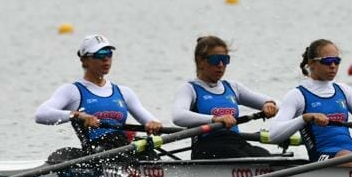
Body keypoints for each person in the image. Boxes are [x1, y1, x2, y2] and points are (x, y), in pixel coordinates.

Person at [35, 35, 163, 162]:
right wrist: (78, 115)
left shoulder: (124, 92)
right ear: (85, 60)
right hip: (96, 153)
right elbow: (41, 114)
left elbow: (150, 120)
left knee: (145, 147)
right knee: (114, 138)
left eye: (109, 53)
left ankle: (155, 172)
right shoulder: (72, 91)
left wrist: (153, 123)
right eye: (100, 55)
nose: (106, 59)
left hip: (123, 148)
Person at [267, 39, 352, 166]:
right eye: (327, 61)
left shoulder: (344, 91)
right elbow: (273, 135)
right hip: (322, 154)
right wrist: (305, 118)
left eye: (337, 61)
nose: (333, 66)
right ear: (311, 63)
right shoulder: (297, 95)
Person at [171, 35, 278, 159]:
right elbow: (178, 116)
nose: (221, 65)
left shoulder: (233, 87)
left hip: (235, 141)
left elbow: (278, 103)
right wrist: (215, 119)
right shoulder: (189, 89)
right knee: (242, 157)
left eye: (225, 59)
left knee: (263, 155)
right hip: (207, 146)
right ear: (200, 61)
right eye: (215, 59)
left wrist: (269, 104)